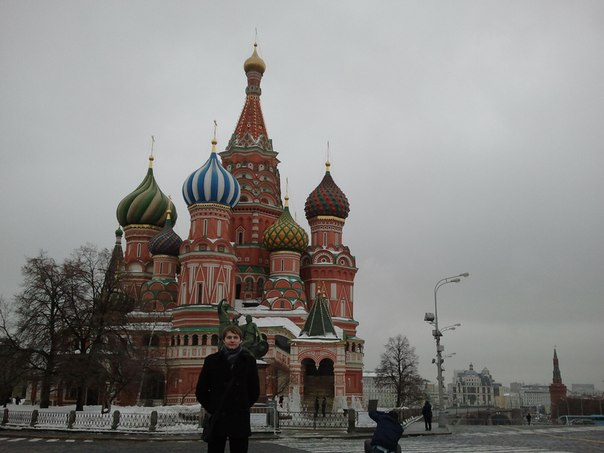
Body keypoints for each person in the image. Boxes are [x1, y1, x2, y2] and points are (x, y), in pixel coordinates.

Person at [196, 325, 260, 453]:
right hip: (218, 415)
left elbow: (254, 390)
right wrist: (212, 407)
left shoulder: (249, 361)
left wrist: (242, 405)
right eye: (229, 337)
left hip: (239, 417)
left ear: (241, 340)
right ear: (223, 340)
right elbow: (201, 390)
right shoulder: (211, 361)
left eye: (235, 337)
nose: (232, 340)